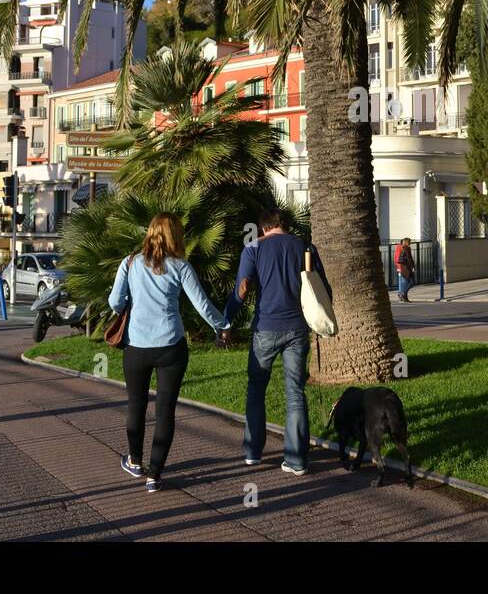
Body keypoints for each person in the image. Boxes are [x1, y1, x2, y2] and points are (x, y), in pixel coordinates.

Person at [108, 213, 232, 493]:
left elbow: (115, 302)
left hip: (137, 347)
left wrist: (132, 301)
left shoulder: (130, 263)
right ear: (177, 235)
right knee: (165, 411)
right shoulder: (181, 267)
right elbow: (202, 304)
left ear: (150, 232)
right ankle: (155, 474)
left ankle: (135, 461)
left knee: (136, 405)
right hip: (171, 348)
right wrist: (222, 325)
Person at [224, 208, 328, 476]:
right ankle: (295, 460)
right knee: (295, 392)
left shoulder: (253, 249)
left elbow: (241, 289)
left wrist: (225, 322)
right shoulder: (305, 246)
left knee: (256, 389)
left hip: (265, 329)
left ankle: (253, 452)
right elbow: (323, 290)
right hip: (297, 329)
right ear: (285, 225)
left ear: (263, 228)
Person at [394, 238, 415, 303]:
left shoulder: (403, 248)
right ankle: (402, 294)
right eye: (410, 241)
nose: (410, 242)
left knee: (406, 282)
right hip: (405, 268)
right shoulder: (405, 248)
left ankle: (404, 297)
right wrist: (412, 267)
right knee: (409, 282)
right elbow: (409, 259)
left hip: (403, 268)